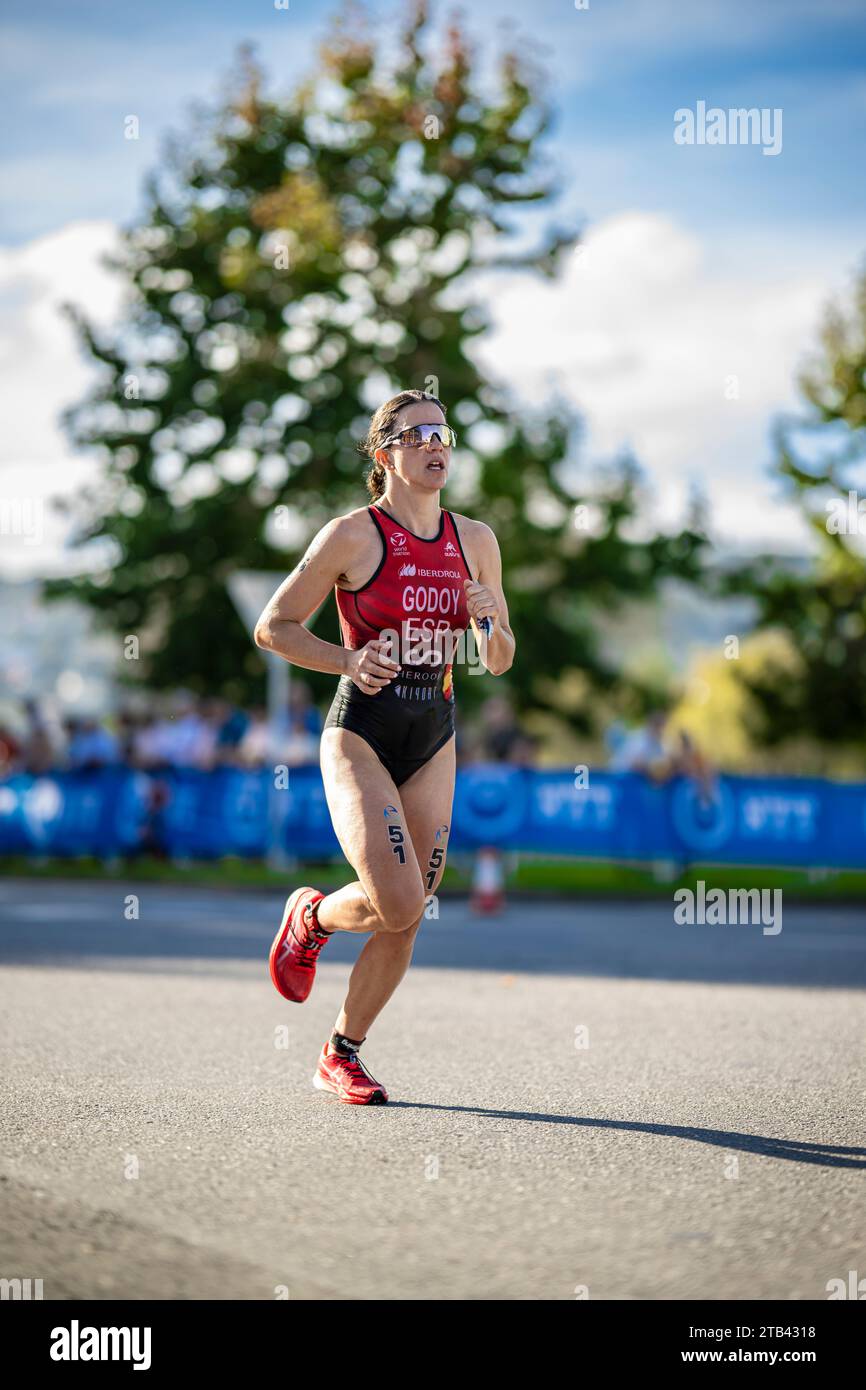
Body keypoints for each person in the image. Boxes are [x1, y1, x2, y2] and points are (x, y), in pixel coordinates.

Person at [254, 389, 515, 1104]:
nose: (437, 444)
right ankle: (310, 917)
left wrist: (490, 622)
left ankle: (342, 1051)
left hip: (433, 733)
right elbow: (273, 627)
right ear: (385, 454)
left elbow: (497, 660)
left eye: (444, 432)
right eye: (417, 434)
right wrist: (346, 660)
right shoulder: (351, 536)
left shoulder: (477, 540)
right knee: (397, 901)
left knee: (409, 910)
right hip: (361, 731)